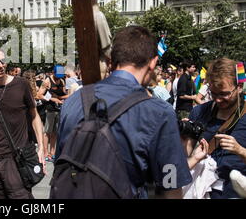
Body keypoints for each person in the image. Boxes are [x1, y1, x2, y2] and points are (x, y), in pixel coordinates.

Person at [57, 26, 192, 198]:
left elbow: (61, 161)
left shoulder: (74, 100)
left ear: (112, 60)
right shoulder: (159, 112)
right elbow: (170, 184)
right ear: (153, 62)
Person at [0, 49, 45, 199]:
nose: (0, 65)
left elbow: (34, 116)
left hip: (16, 157)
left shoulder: (21, 85)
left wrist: (42, 148)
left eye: (3, 61)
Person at [189, 57, 246, 198]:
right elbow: (183, 157)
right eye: (213, 93)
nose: (218, 99)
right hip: (199, 190)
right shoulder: (199, 112)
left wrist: (241, 151)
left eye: (224, 94)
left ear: (239, 87)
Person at [37, 66, 67, 162]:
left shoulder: (62, 81)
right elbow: (39, 95)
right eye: (57, 76)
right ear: (53, 73)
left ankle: (53, 153)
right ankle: (46, 153)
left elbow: (62, 94)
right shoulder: (47, 81)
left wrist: (63, 97)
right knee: (47, 132)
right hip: (49, 110)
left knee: (55, 132)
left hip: (58, 109)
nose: (58, 78)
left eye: (60, 76)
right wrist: (51, 98)